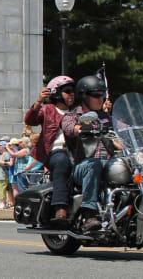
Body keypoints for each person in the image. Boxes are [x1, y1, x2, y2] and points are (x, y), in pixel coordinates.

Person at [61, 74, 114, 232]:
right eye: (96, 95)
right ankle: (89, 212)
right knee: (94, 165)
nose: (101, 99)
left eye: (102, 95)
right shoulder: (72, 116)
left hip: (108, 164)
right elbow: (69, 128)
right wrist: (83, 128)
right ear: (84, 96)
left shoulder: (106, 117)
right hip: (80, 167)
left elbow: (122, 128)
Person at [24, 75, 75, 223]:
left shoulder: (78, 111)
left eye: (73, 91)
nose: (72, 94)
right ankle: (60, 207)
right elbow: (30, 120)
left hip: (77, 152)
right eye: (67, 91)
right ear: (57, 93)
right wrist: (39, 101)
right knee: (61, 160)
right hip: (55, 152)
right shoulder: (47, 109)